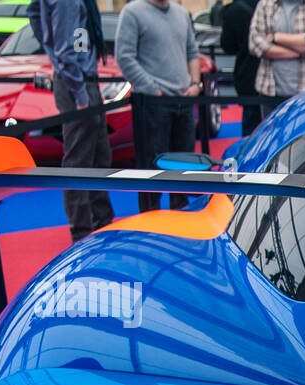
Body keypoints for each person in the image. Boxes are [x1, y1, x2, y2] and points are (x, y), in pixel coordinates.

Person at [26, 0, 113, 241]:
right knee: (79, 159)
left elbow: (34, 12)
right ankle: (83, 232)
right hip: (78, 83)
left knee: (98, 156)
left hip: (84, 79)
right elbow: (64, 50)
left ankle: (101, 223)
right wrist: (79, 91)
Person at [115, 0, 202, 213]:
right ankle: (150, 220)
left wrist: (195, 84)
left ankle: (181, 215)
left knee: (184, 165)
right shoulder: (132, 12)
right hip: (153, 104)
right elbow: (124, 57)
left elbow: (192, 52)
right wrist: (152, 89)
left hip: (184, 101)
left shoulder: (182, 14)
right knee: (152, 167)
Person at [247, 0, 305, 117]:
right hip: (270, 92)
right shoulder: (266, 4)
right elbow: (255, 45)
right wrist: (301, 49)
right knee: (272, 135)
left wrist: (274, 37)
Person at [220, 0, 260, 135]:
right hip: (277, 76)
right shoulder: (272, 5)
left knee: (251, 130)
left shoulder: (233, 9)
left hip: (248, 74)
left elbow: (228, 46)